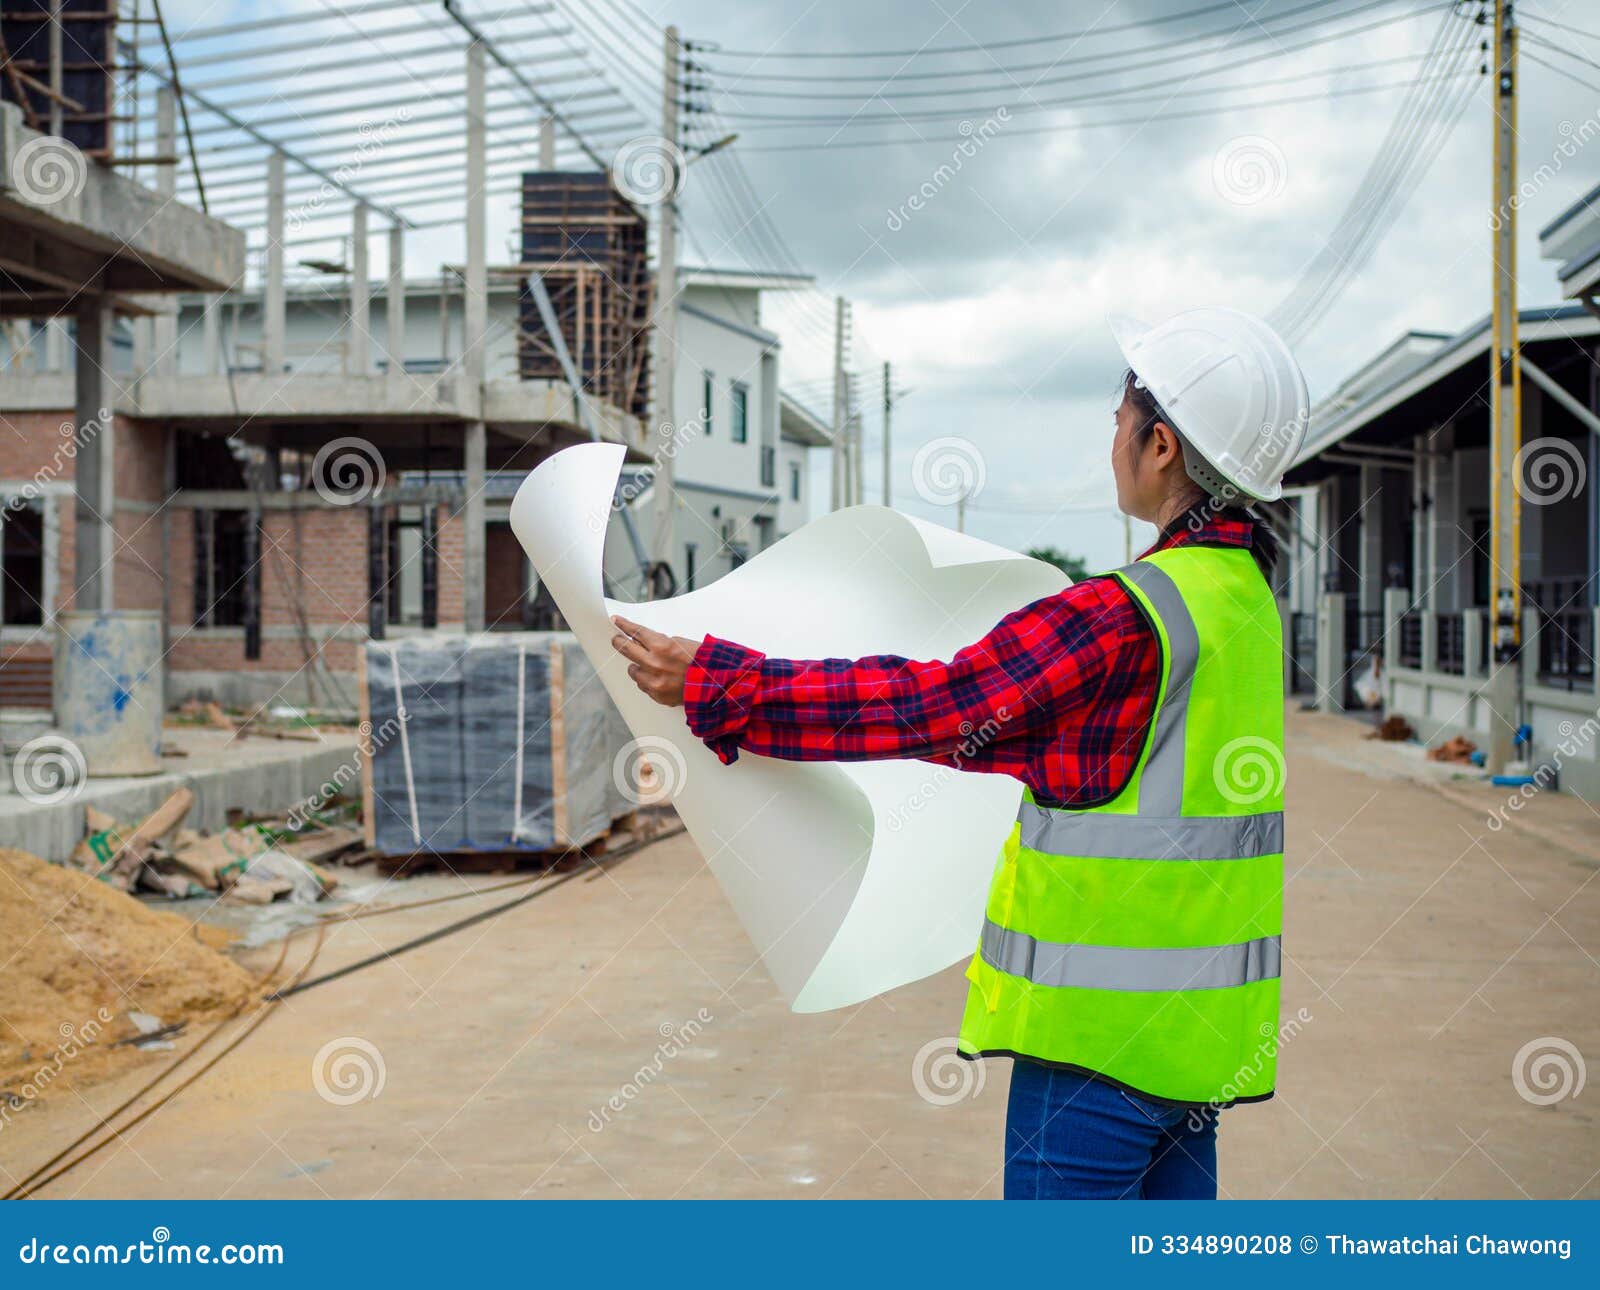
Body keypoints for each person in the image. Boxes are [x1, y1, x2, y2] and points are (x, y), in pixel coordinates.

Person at [610, 307, 1310, 1200]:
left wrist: (724, 681)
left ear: (1162, 445)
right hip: (1201, 1051)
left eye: (1120, 421)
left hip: (1098, 1055)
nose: (1113, 442)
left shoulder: (1124, 615)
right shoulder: (1245, 599)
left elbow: (936, 708)